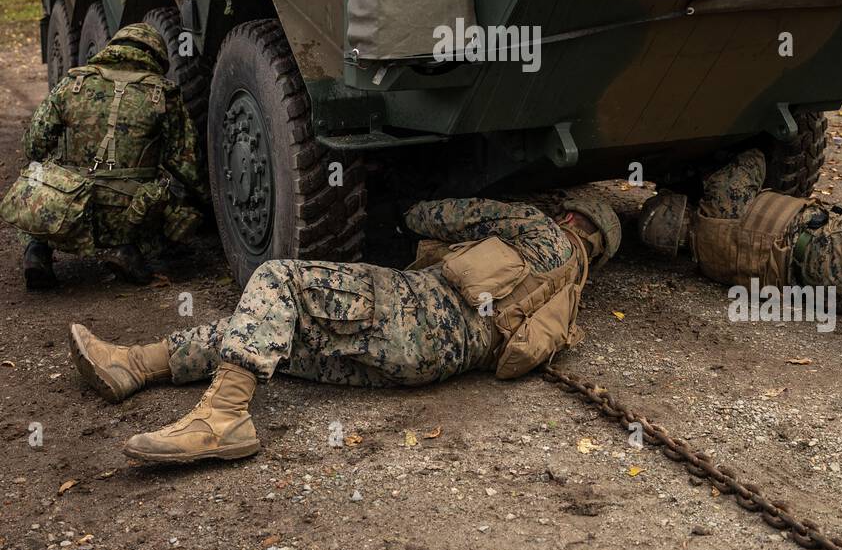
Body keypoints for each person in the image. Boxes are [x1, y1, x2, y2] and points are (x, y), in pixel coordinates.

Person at [67, 192, 621, 466]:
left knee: (277, 280)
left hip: (406, 311)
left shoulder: (535, 226)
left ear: (570, 218)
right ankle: (133, 364)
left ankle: (223, 420)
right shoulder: (570, 299)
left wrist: (407, 206)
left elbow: (431, 217)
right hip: (424, 367)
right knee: (273, 331)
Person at [638, 147, 842, 380]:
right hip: (825, 255)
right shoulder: (718, 206)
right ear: (685, 208)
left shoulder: (706, 262)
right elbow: (752, 159)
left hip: (825, 295)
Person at [1, 21, 208, 288]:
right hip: (129, 212)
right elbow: (186, 165)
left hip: (65, 208)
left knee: (38, 176)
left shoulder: (73, 83)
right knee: (168, 194)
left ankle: (38, 250)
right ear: (156, 56)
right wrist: (203, 204)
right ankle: (126, 249)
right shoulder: (163, 94)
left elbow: (34, 146)